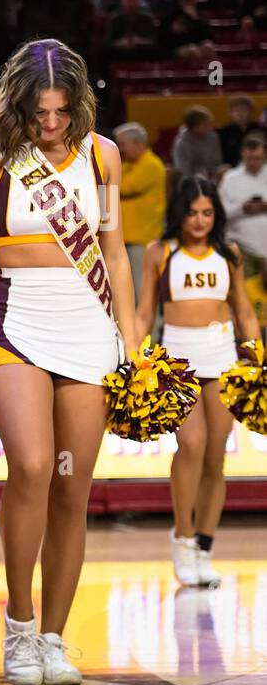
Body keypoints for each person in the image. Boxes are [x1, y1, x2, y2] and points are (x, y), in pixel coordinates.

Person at [0, 38, 140, 685]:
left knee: (72, 485)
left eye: (63, 110)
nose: (53, 123)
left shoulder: (104, 156)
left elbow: (114, 253)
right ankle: (20, 624)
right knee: (32, 464)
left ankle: (57, 638)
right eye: (41, 112)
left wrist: (134, 340)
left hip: (89, 330)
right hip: (14, 329)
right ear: (19, 105)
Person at [136, 178, 261, 588]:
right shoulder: (161, 252)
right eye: (192, 212)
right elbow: (144, 313)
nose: (200, 221)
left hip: (222, 357)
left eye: (207, 213)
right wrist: (133, 355)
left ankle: (204, 547)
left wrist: (257, 357)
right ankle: (182, 537)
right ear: (180, 212)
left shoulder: (229, 253)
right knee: (190, 444)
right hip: (178, 359)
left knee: (214, 456)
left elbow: (242, 309)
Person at [116, 122, 166, 297]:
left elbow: (123, 187)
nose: (119, 149)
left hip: (142, 241)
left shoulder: (151, 165)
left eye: (122, 144)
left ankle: (149, 325)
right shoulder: (128, 164)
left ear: (137, 143)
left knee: (143, 291)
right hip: (126, 238)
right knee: (126, 292)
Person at [218, 130, 267, 264]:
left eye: (258, 159)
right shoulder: (229, 178)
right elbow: (219, 214)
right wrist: (242, 209)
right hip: (240, 246)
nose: (253, 163)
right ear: (243, 154)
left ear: (265, 155)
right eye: (249, 159)